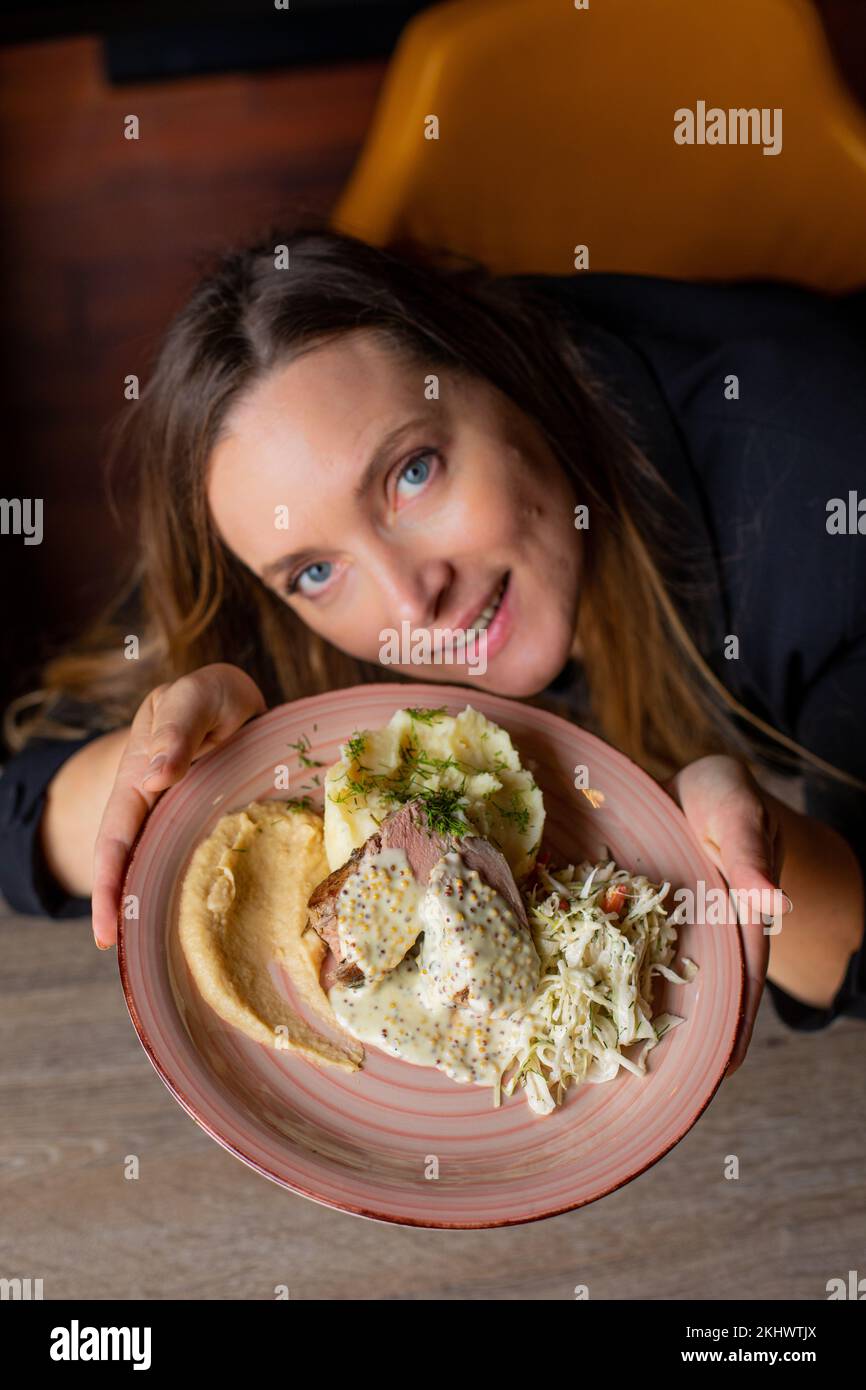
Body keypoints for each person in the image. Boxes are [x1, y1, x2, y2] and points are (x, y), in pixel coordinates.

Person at [2, 223, 864, 1077]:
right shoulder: (270, 481)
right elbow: (18, 810)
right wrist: (160, 772)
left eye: (412, 473)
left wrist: (717, 853)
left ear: (499, 364)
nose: (412, 600)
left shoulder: (821, 498)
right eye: (312, 572)